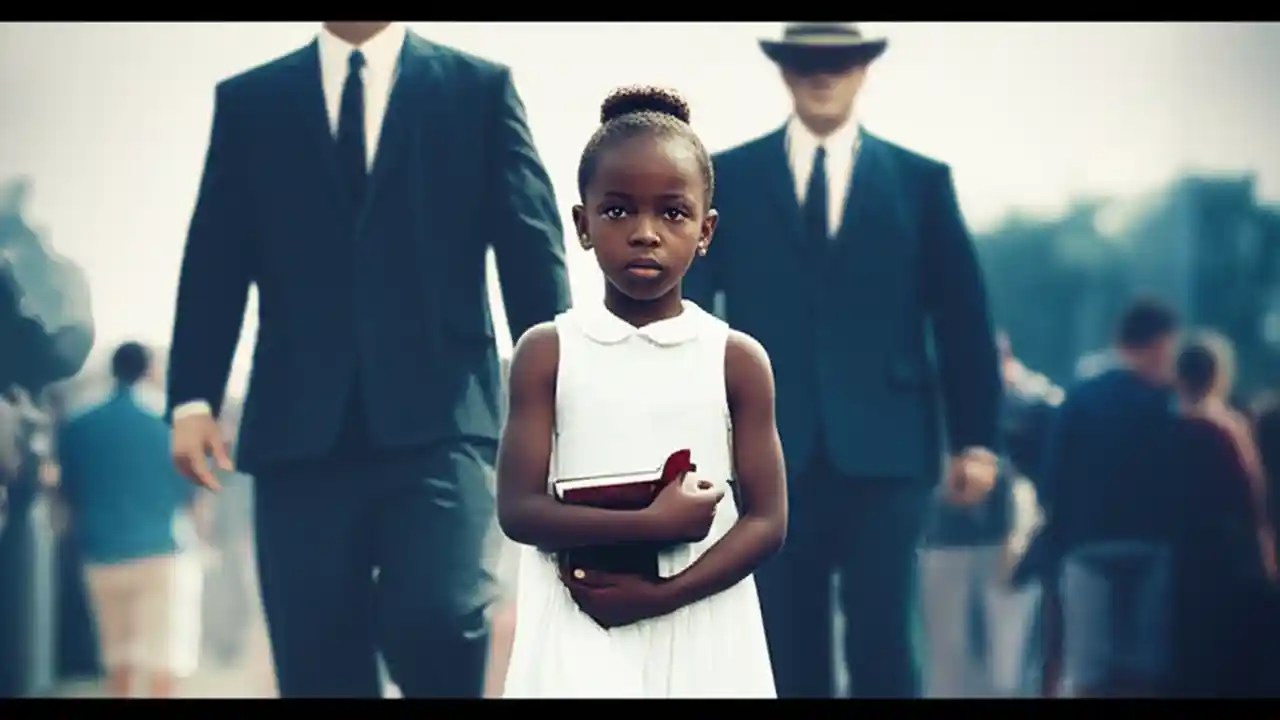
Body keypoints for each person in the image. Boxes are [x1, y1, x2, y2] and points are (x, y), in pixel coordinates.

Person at [165, 22, 571, 698]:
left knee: (442, 616)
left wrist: (555, 395)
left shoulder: (479, 90)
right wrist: (192, 397)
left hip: (443, 424)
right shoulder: (251, 102)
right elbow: (215, 256)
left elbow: (532, 248)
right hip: (299, 433)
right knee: (316, 657)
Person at [683, 22, 1002, 698]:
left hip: (889, 453)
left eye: (839, 61)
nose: (822, 75)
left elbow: (963, 319)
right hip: (768, 452)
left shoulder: (921, 184)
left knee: (884, 640)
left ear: (863, 70)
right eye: (805, 62)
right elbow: (692, 315)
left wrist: (976, 440)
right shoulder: (727, 180)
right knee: (786, 643)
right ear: (783, 71)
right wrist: (692, 434)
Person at [497, 86, 786, 698]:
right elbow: (518, 510)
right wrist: (651, 523)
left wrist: (662, 596)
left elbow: (768, 520)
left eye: (673, 214)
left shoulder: (735, 360)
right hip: (579, 619)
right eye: (618, 211)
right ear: (582, 224)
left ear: (706, 230)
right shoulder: (547, 352)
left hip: (704, 623)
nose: (645, 233)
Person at [1039, 298, 1182, 697]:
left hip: (1085, 544)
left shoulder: (1080, 398)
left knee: (1088, 668)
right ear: (1160, 344)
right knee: (1144, 666)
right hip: (1151, 542)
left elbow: (1053, 476)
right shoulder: (1165, 402)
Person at [55, 343, 204, 698]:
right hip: (161, 553)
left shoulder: (79, 425)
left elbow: (67, 492)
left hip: (101, 553)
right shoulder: (168, 425)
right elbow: (192, 495)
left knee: (118, 657)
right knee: (163, 658)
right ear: (150, 370)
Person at [1171, 334, 1278, 697]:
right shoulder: (1227, 430)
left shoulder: (1166, 430)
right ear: (1219, 376)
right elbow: (1252, 502)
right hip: (1232, 566)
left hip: (1183, 567)